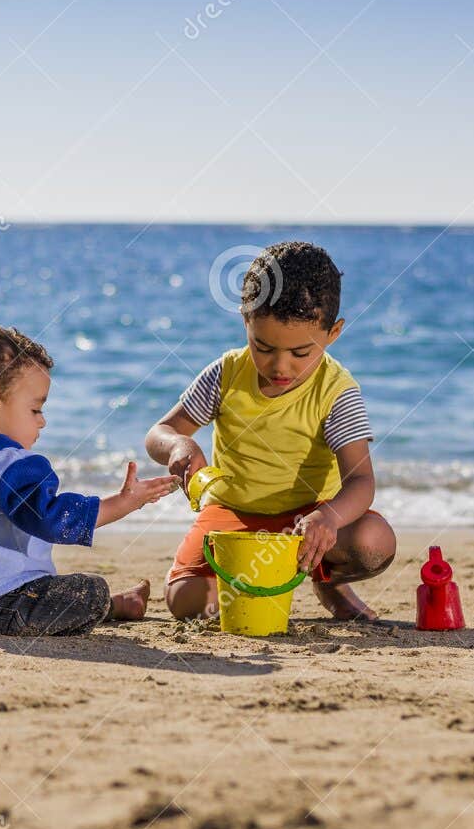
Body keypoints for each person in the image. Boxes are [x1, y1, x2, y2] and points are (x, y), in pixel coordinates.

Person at [145, 241, 395, 621]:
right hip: (232, 516)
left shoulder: (336, 391)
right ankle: (250, 584)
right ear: (245, 321)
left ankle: (327, 579)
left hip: (306, 525)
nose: (280, 367)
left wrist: (328, 518)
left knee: (374, 542)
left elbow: (361, 481)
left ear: (334, 333)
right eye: (263, 347)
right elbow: (160, 432)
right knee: (190, 604)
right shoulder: (226, 373)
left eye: (300, 353)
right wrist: (178, 444)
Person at [0, 322, 175, 636]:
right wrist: (123, 503)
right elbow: (52, 519)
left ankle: (114, 605)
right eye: (35, 409)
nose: (43, 421)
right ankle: (108, 604)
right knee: (89, 590)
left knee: (58, 593)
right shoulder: (7, 463)